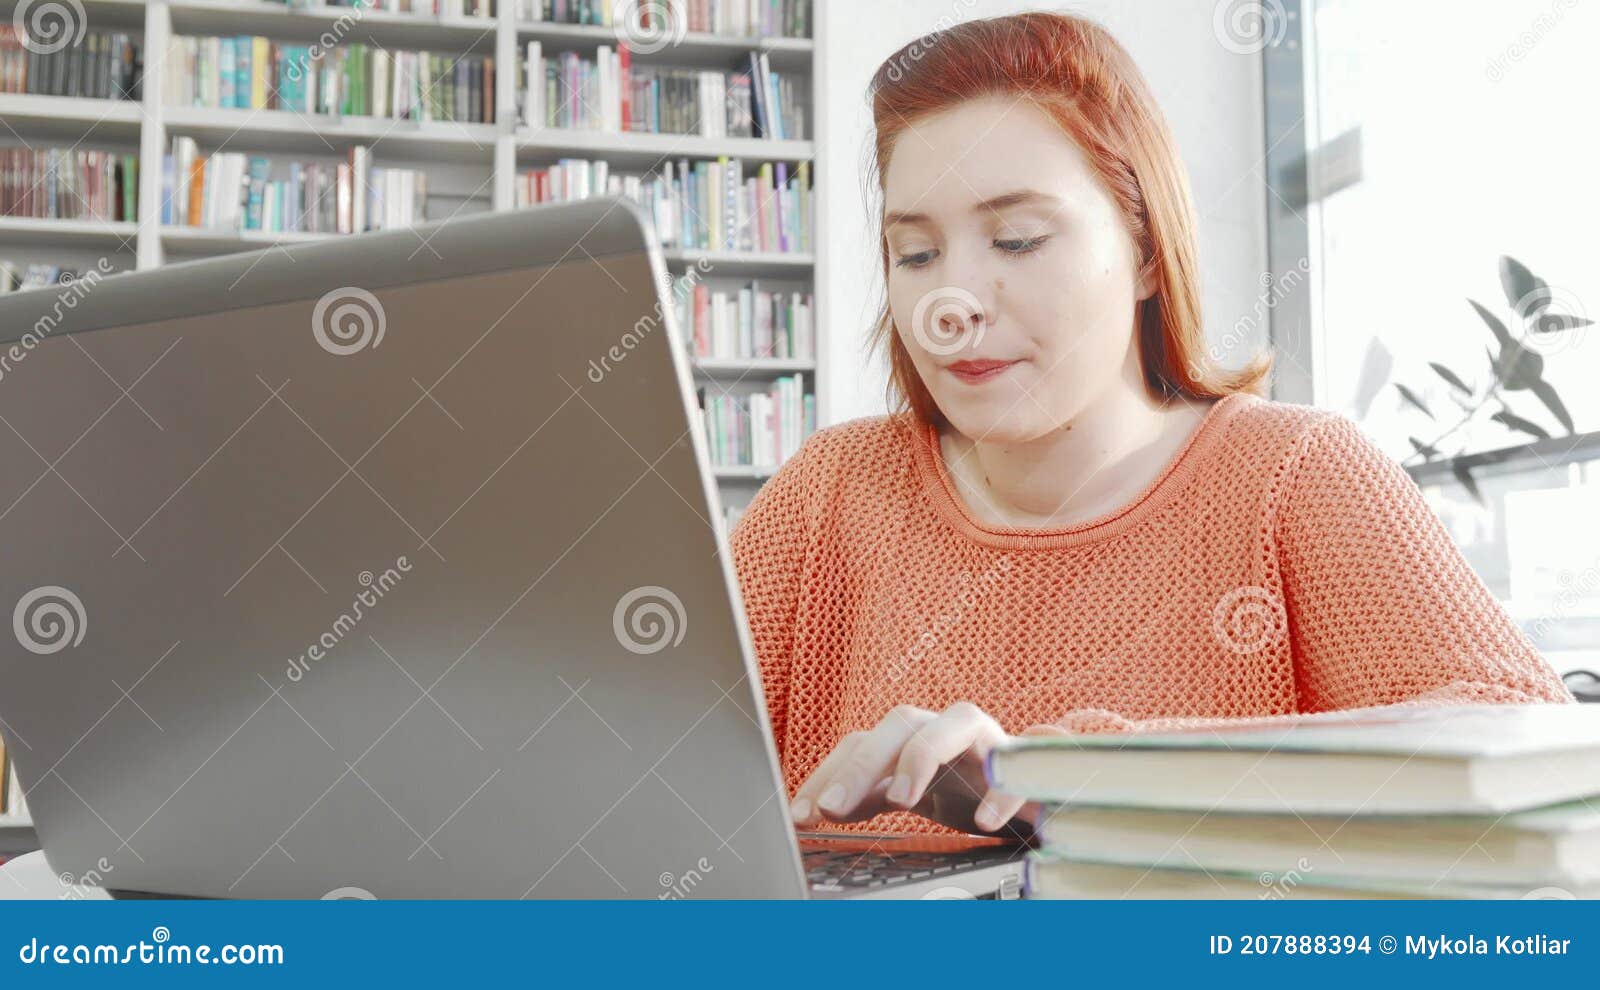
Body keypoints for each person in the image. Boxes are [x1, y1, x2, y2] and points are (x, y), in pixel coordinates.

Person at [728, 11, 1573, 840]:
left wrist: (1086, 784)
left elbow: (1530, 758)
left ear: (1142, 248)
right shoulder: (832, 488)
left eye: (1017, 240)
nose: (955, 302)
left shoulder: (1294, 475)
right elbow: (632, 745)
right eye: (915, 255)